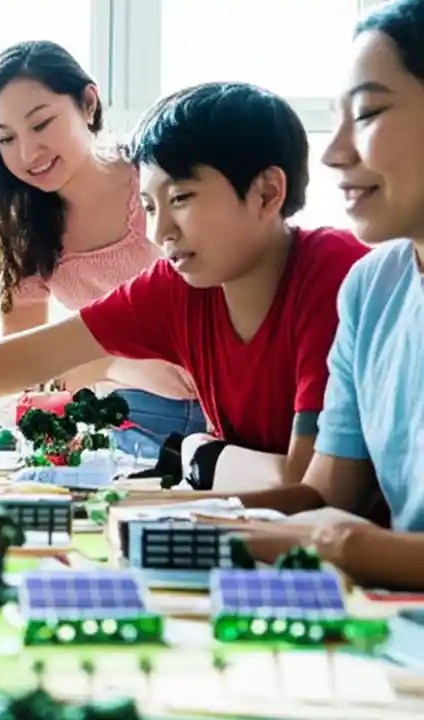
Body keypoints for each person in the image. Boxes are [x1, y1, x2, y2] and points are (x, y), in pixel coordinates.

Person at [0, 82, 369, 488]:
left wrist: (200, 458)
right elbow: (29, 356)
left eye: (182, 198)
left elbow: (307, 484)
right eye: (150, 207)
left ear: (267, 192)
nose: (161, 232)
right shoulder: (178, 286)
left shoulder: (335, 274)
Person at [225, 0, 424, 590]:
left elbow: (335, 528)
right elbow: (328, 495)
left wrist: (343, 543)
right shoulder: (372, 287)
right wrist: (165, 516)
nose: (335, 152)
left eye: (366, 114)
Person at [0, 40, 202, 457]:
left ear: (89, 104)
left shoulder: (153, 178)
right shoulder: (23, 232)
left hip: (222, 391)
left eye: (41, 124)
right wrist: (115, 364)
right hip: (133, 407)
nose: (27, 153)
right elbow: (28, 364)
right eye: (6, 139)